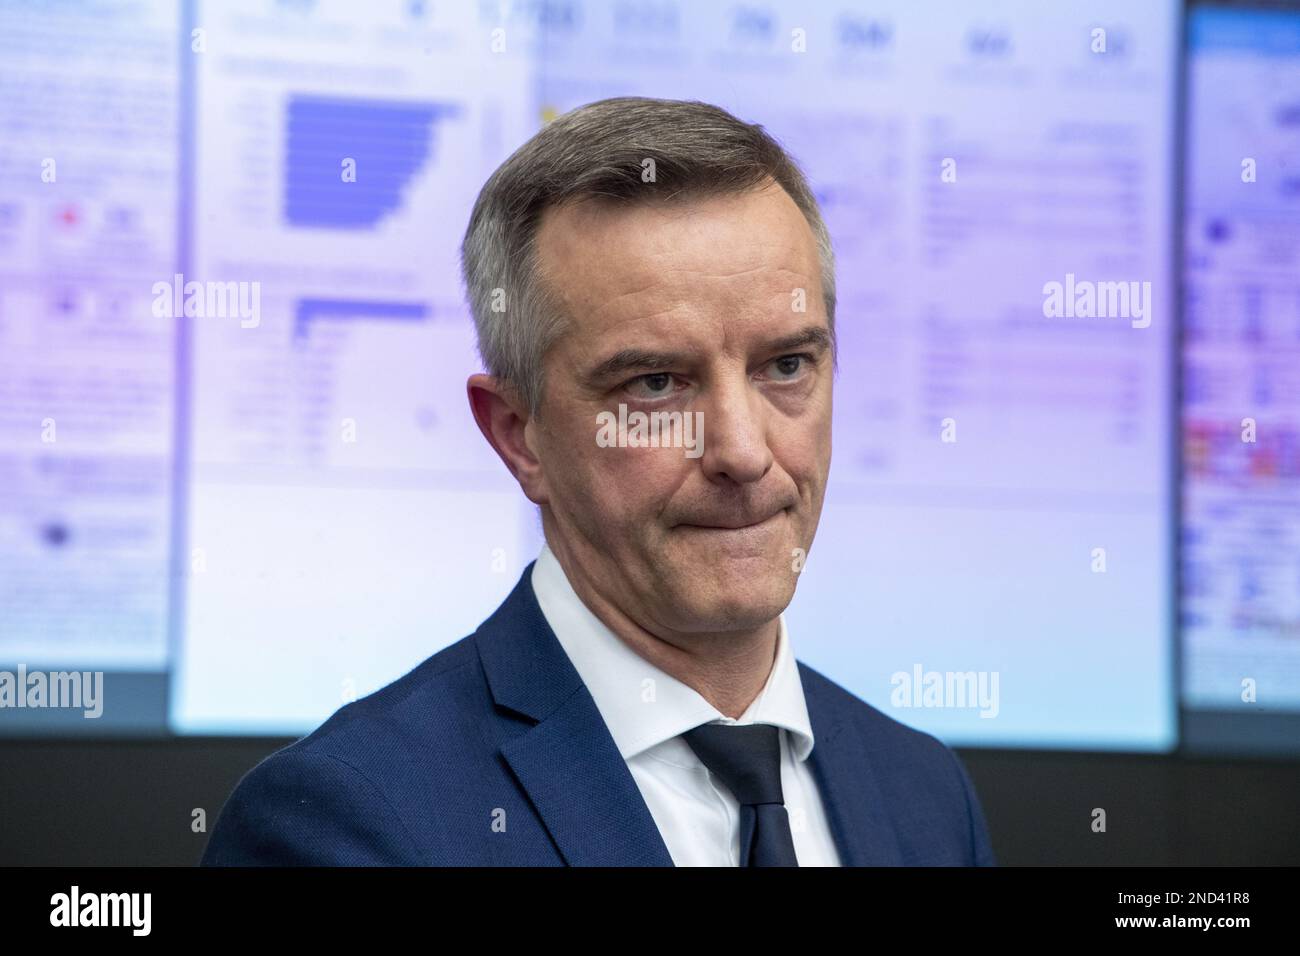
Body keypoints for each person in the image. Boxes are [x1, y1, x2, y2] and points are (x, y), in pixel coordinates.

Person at [201, 96, 996, 866]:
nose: (743, 452)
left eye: (786, 365)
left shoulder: (924, 798)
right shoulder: (350, 823)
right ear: (519, 437)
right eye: (655, 383)